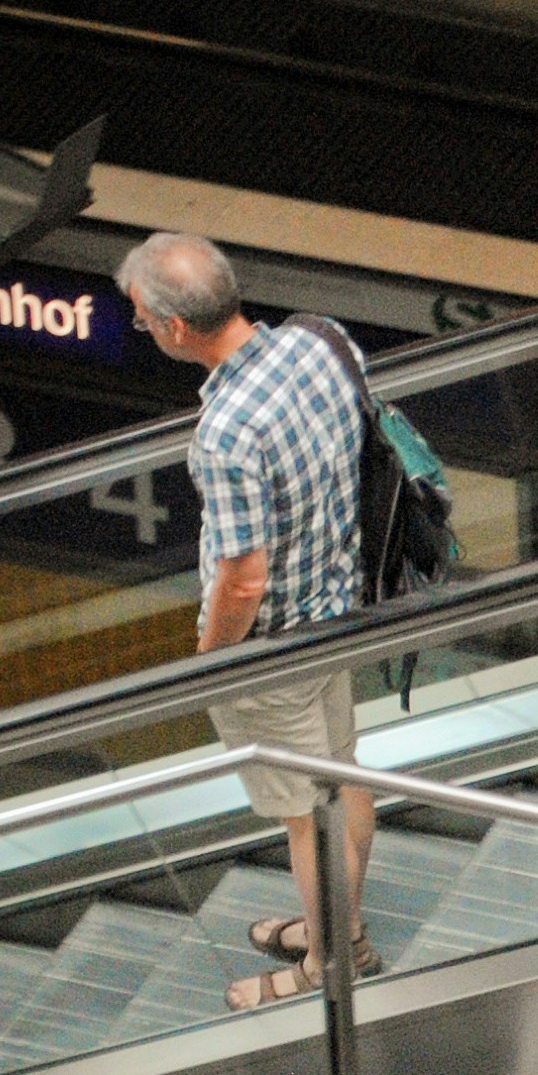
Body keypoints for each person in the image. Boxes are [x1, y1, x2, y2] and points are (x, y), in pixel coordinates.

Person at [120, 230, 375, 1013]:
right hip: (339, 610)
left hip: (271, 652)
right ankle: (341, 930)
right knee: (343, 773)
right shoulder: (322, 340)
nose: (143, 329)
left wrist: (211, 661)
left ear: (174, 327)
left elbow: (244, 576)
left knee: (305, 816)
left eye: (141, 319)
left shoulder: (226, 432)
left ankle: (328, 964)